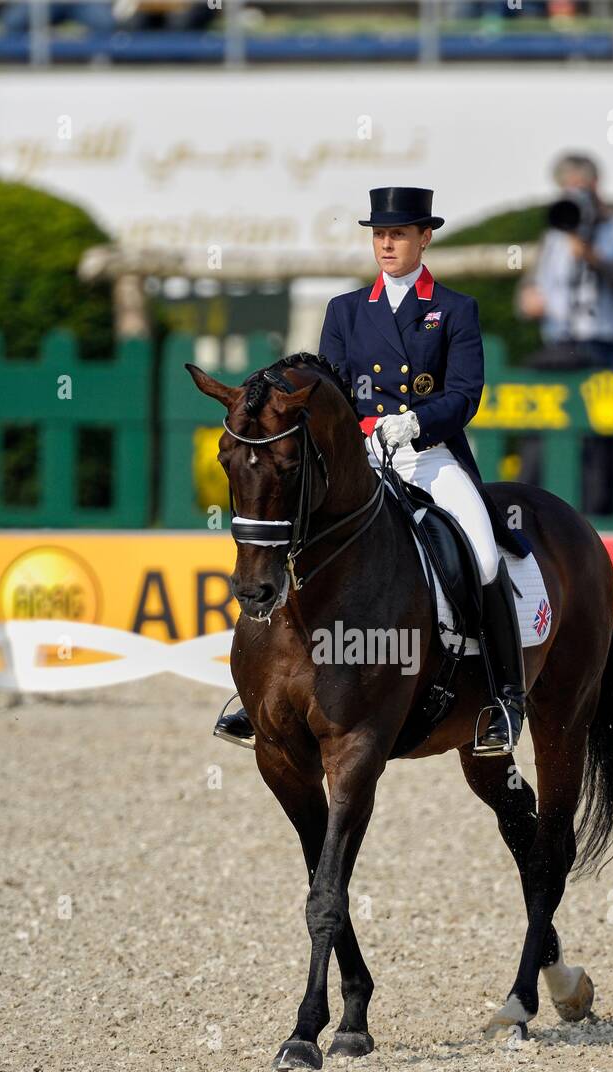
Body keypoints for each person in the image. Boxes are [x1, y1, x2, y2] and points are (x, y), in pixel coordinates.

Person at [215, 186, 525, 756]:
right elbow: (327, 390)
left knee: (482, 554)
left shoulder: (454, 309)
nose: (387, 244)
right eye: (380, 235)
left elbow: (465, 394)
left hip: (429, 457)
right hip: (362, 460)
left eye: (399, 234)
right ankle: (258, 691)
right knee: (295, 538)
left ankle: (504, 697)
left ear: (423, 237)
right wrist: (360, 431)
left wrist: (413, 423)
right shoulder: (346, 310)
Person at [517, 152, 613, 513]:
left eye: (581, 186)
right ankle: (531, 513)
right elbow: (529, 288)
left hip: (606, 347)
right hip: (558, 346)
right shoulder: (555, 232)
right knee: (539, 432)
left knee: (598, 441)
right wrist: (528, 298)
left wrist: (595, 258)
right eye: (567, 187)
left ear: (596, 185)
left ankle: (597, 516)